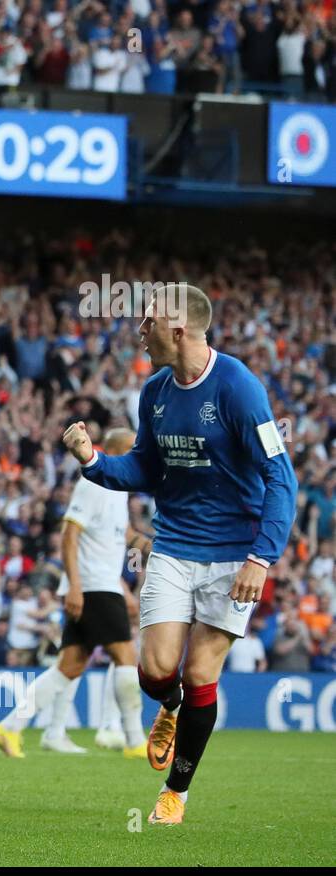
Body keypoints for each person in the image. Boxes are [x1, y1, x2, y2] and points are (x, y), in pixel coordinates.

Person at [62, 283, 297, 825]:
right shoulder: (154, 392)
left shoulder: (239, 388)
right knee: (155, 670)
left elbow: (279, 476)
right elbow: (145, 468)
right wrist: (92, 459)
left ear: (178, 329)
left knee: (200, 671)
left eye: (147, 322)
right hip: (173, 545)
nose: (139, 331)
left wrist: (261, 558)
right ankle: (168, 708)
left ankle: (175, 792)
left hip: (235, 555)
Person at [0, 428, 149, 759]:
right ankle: (133, 740)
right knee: (125, 656)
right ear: (117, 450)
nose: (139, 455)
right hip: (93, 586)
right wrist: (74, 586)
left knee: (69, 667)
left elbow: (124, 533)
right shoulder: (93, 483)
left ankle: (10, 727)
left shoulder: (118, 488)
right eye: (134, 449)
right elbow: (68, 535)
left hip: (100, 585)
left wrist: (153, 546)